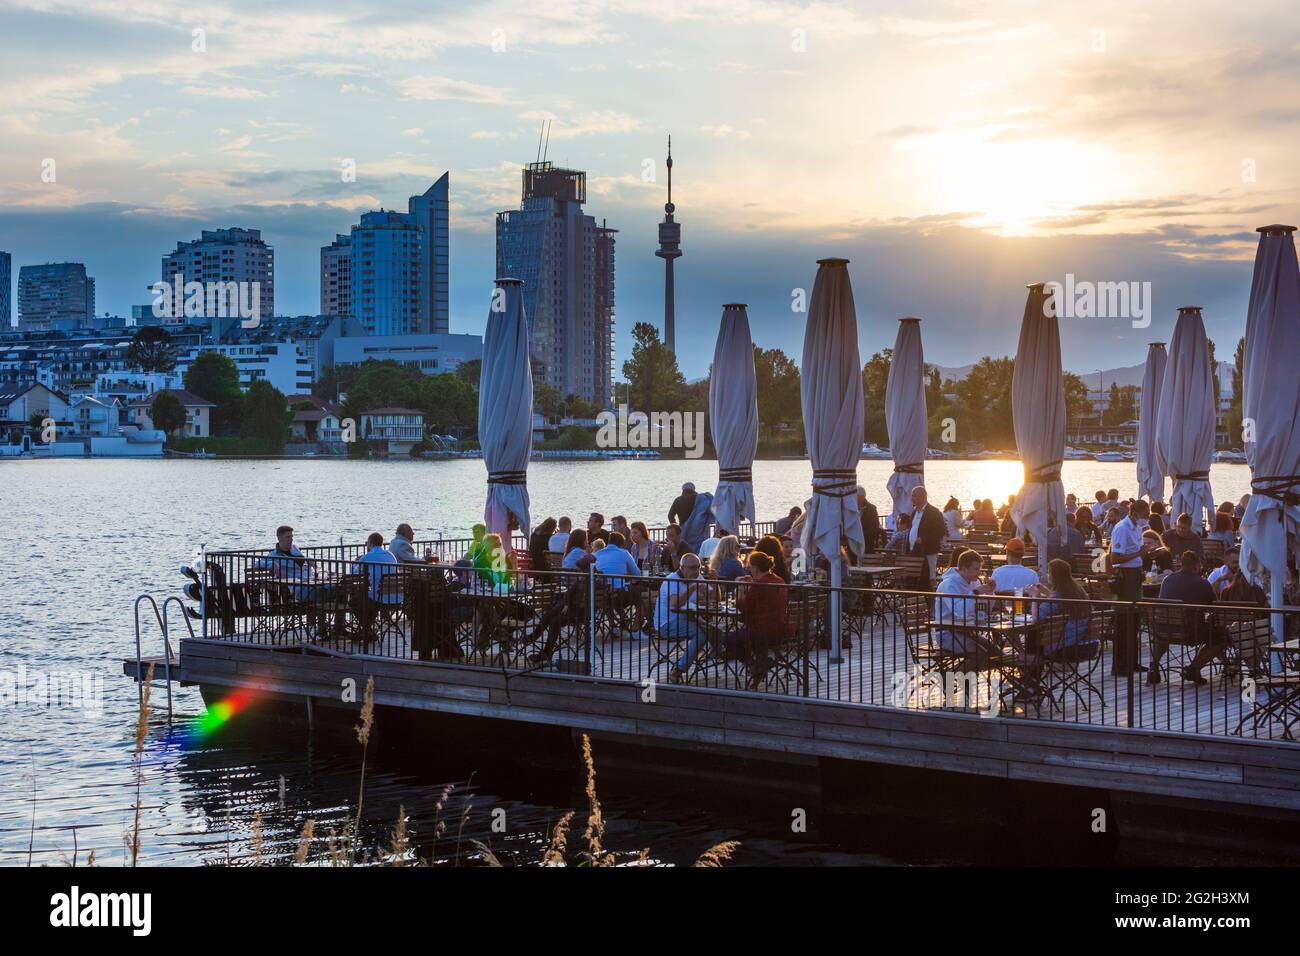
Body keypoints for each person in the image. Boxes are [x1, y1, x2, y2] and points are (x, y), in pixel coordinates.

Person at [1155, 550, 1221, 684]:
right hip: (1189, 632)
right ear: (1197, 565)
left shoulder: (1167, 580)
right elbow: (1215, 608)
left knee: (1164, 631)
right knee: (1220, 637)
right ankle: (1193, 669)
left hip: (1162, 629)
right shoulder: (1202, 583)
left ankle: (1153, 666)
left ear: (1181, 564)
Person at [1109, 498, 1153, 676]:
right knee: (1123, 622)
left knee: (1134, 621)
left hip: (1135, 575)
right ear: (1134, 513)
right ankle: (1120, 665)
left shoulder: (1136, 528)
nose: (1146, 519)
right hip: (1124, 577)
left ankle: (1132, 662)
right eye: (1145, 515)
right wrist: (1139, 553)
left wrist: (1144, 552)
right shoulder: (1121, 528)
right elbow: (1115, 559)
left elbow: (1134, 552)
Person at [733, 551, 789, 689]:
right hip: (780, 631)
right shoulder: (779, 580)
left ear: (756, 568)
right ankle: (760, 665)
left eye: (750, 567)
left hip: (759, 632)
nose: (749, 570)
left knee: (726, 639)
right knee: (735, 637)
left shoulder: (759, 585)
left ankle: (755, 666)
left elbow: (744, 607)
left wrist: (740, 590)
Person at [658, 554, 716, 682]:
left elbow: (713, 598)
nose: (696, 571)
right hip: (667, 623)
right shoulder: (671, 580)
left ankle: (723, 654)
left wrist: (714, 582)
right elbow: (675, 604)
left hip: (689, 620)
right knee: (703, 634)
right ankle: (678, 669)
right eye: (693, 568)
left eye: (698, 567)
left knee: (717, 630)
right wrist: (693, 587)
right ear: (682, 568)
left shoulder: (697, 576)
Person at [934, 550, 996, 666]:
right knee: (979, 654)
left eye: (979, 569)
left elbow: (985, 609)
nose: (979, 572)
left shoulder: (974, 582)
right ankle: (949, 679)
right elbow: (959, 612)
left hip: (968, 631)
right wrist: (975, 593)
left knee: (996, 653)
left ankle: (965, 680)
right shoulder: (949, 584)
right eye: (976, 569)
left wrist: (990, 593)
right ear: (964, 568)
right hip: (947, 633)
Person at [1031, 559, 1096, 655]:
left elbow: (1036, 619)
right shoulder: (1078, 592)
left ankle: (1027, 663)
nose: (1047, 575)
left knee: (1033, 635)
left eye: (1049, 572)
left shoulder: (1056, 597)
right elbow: (1059, 602)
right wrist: (1048, 593)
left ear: (1055, 576)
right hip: (1084, 645)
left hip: (1062, 648)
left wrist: (1034, 597)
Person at [907, 485, 947, 588]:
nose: (912, 498)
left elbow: (941, 531)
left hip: (928, 551)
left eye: (914, 496)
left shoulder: (933, 512)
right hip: (915, 550)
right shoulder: (914, 512)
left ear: (922, 496)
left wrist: (924, 539)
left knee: (930, 578)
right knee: (915, 577)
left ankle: (931, 600)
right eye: (912, 496)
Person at [857, 486, 884, 552]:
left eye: (857, 497)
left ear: (863, 497)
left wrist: (860, 535)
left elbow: (874, 527)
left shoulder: (872, 509)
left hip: (867, 543)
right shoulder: (850, 508)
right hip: (853, 543)